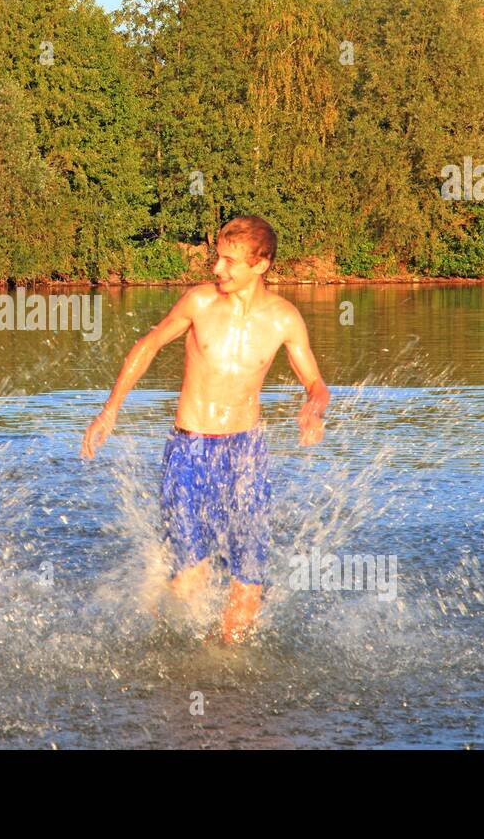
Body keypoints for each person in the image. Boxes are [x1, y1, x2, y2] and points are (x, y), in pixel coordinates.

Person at [81, 215, 328, 643]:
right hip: (190, 450)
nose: (218, 270)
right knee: (191, 578)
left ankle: (224, 673)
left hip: (246, 452)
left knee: (248, 585)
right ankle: (157, 634)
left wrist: (314, 409)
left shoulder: (284, 319)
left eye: (230, 262)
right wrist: (110, 410)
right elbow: (149, 344)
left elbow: (315, 382)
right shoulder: (199, 303)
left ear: (261, 264)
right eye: (218, 258)